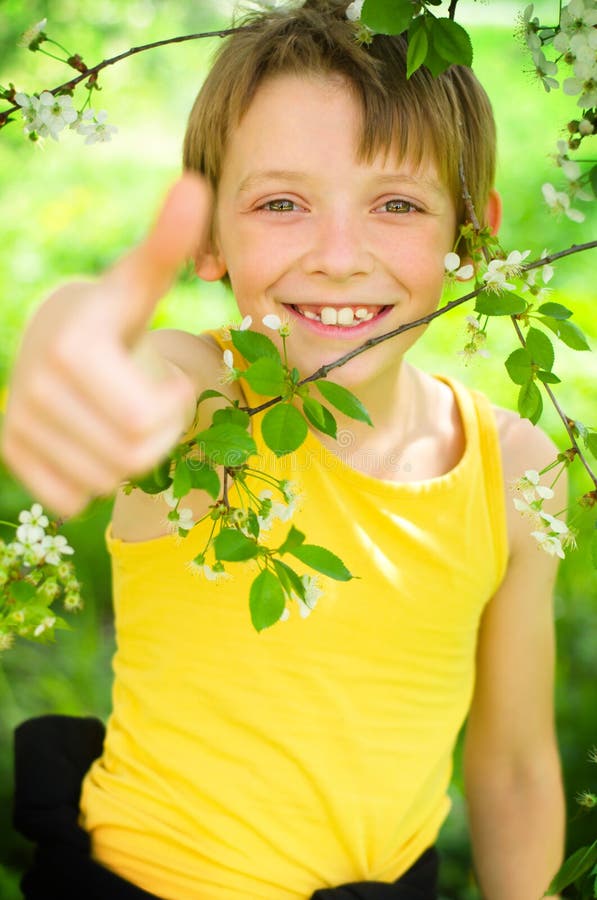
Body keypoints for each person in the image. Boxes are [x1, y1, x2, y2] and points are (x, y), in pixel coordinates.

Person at [2, 1, 566, 897]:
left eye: (396, 203)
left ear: (472, 232)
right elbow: (119, 355)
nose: (338, 256)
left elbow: (515, 767)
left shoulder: (516, 470)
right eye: (280, 203)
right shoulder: (205, 408)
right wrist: (64, 342)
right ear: (207, 240)